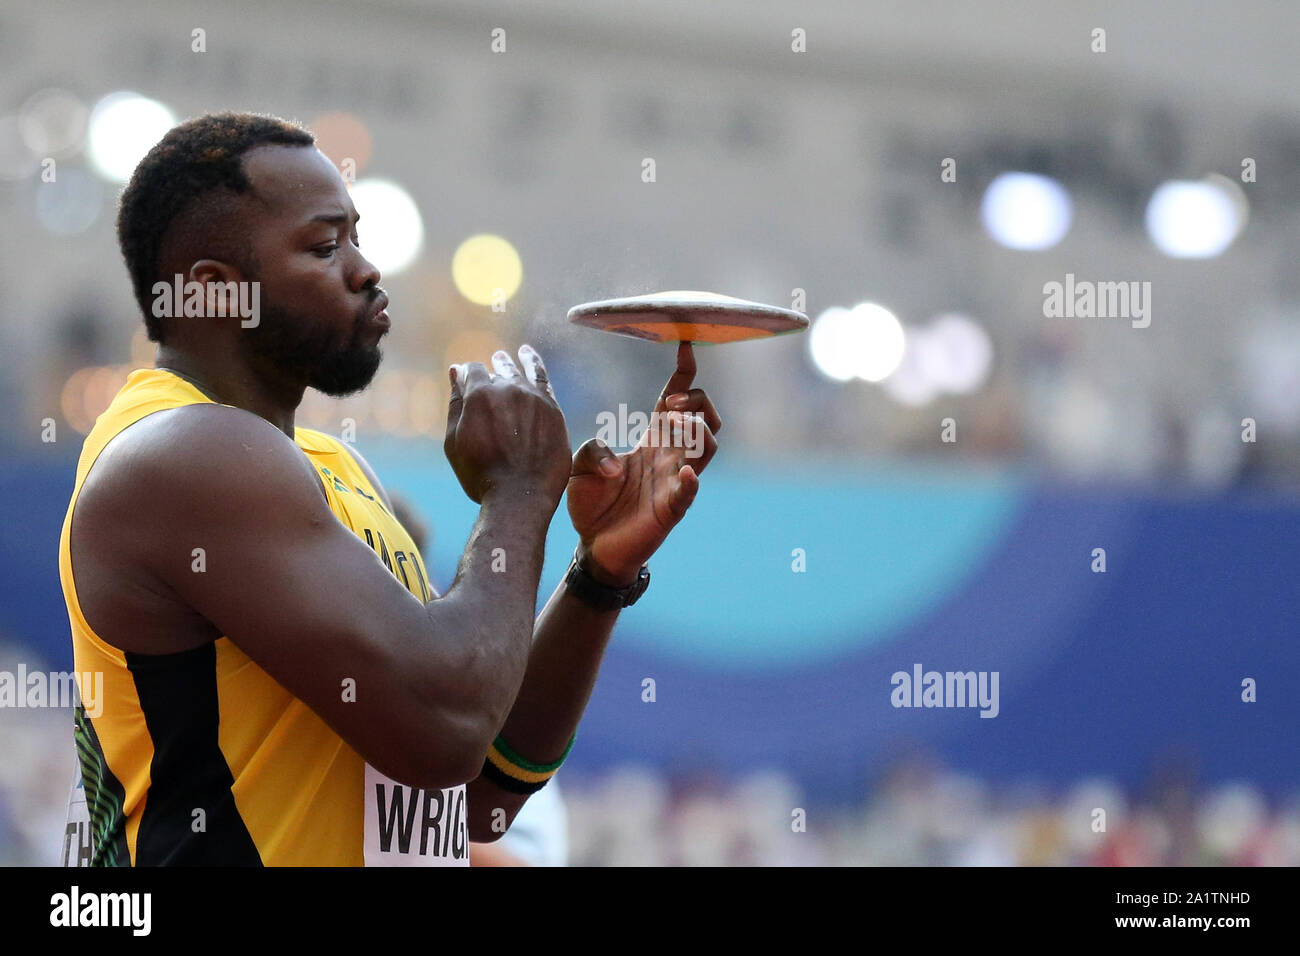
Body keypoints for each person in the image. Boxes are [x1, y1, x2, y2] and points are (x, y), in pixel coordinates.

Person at [58, 112, 720, 866]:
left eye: (359, 237)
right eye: (324, 244)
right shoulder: (183, 454)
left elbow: (476, 791)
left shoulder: (332, 469)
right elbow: (445, 731)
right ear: (214, 293)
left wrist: (598, 573)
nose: (367, 269)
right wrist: (515, 491)